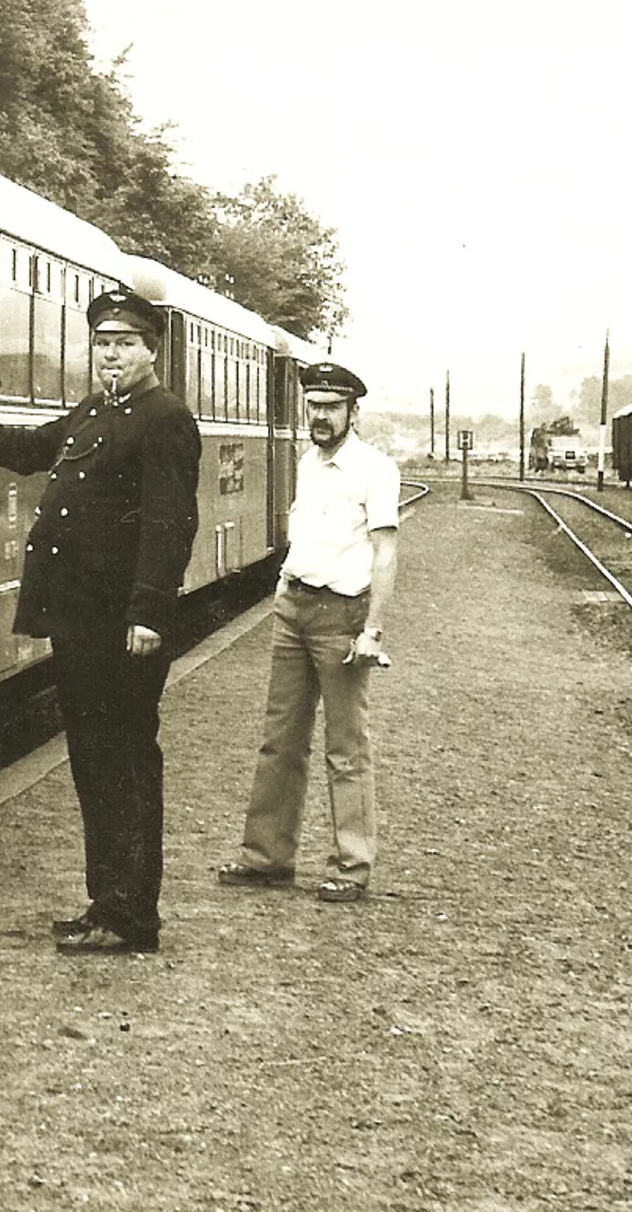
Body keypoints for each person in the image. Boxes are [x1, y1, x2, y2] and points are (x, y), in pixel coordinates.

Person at [0, 288, 200, 954]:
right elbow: (27, 449)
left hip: (119, 626)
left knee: (125, 764)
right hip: (81, 620)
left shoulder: (163, 418)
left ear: (150, 351)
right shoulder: (95, 411)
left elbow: (169, 523)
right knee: (94, 763)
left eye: (124, 344)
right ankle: (108, 904)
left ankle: (132, 914)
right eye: (102, 344)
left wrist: (149, 612)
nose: (110, 355)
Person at [218, 360, 399, 904]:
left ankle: (352, 865)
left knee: (346, 748)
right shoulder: (308, 463)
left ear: (353, 412)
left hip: (342, 617)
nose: (321, 417)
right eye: (314, 407)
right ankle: (267, 857)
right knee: (281, 740)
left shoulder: (375, 470)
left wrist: (373, 631)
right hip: (293, 608)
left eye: (331, 408)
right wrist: (282, 586)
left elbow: (386, 552)